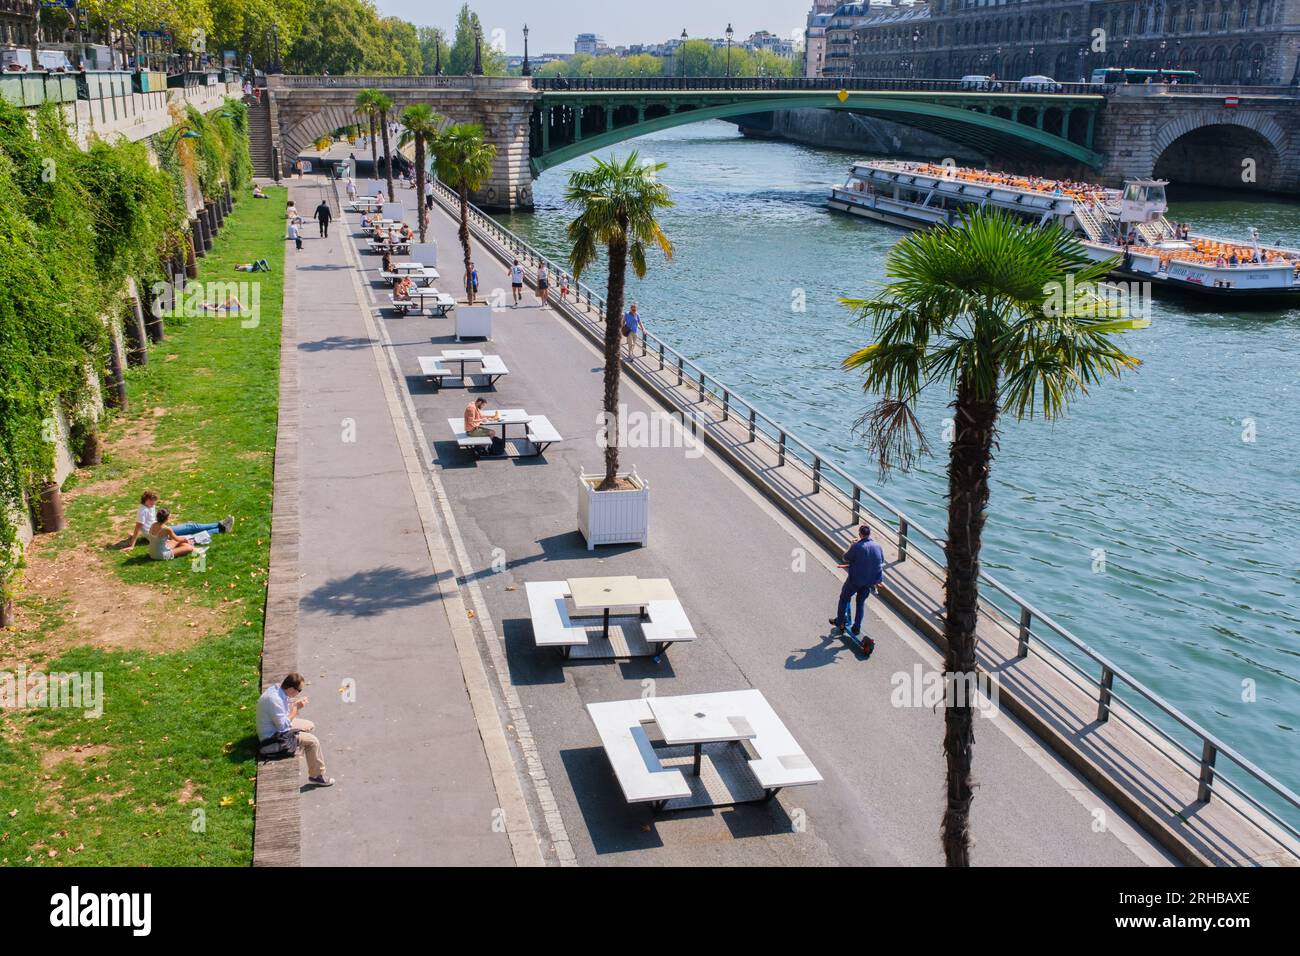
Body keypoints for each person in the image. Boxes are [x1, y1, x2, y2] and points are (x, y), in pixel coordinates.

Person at [256, 673, 334, 787]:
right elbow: (283, 727)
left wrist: (294, 704)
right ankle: (317, 776)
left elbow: (283, 713)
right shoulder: (275, 700)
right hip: (273, 738)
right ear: (291, 688)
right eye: (299, 690)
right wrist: (296, 709)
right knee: (313, 742)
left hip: (276, 727)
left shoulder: (277, 689)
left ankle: (300, 747)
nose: (299, 692)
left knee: (309, 725)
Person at [829, 525, 886, 650]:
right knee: (860, 603)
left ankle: (839, 621)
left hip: (855, 580)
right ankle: (857, 626)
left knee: (844, 597)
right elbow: (881, 560)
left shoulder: (857, 546)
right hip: (870, 581)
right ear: (869, 534)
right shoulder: (878, 546)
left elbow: (845, 557)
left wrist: (851, 544)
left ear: (860, 534)